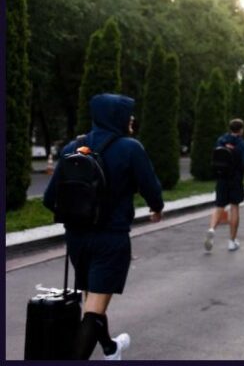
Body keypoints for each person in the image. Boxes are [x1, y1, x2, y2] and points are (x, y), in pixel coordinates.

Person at [43, 93, 164, 360]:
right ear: (118, 117)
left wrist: (78, 217)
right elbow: (151, 188)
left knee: (93, 302)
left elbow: (49, 199)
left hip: (77, 240)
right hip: (111, 240)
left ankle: (111, 349)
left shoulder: (72, 148)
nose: (132, 119)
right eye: (128, 114)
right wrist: (156, 208)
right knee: (94, 310)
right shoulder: (131, 148)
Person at [205, 118, 244, 252]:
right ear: (241, 130)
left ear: (230, 128)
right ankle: (232, 241)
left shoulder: (221, 141)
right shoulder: (243, 144)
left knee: (219, 206)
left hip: (222, 178)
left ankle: (211, 229)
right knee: (234, 207)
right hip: (235, 179)